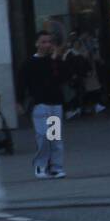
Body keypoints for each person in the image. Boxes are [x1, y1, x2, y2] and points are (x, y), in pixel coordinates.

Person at [22, 31, 68, 179]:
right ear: (37, 44)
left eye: (49, 42)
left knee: (55, 137)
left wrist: (56, 59)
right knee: (43, 136)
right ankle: (40, 166)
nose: (47, 45)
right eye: (43, 42)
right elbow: (22, 83)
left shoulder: (54, 61)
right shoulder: (29, 63)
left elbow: (62, 78)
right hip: (40, 104)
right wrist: (19, 102)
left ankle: (56, 167)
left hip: (55, 102)